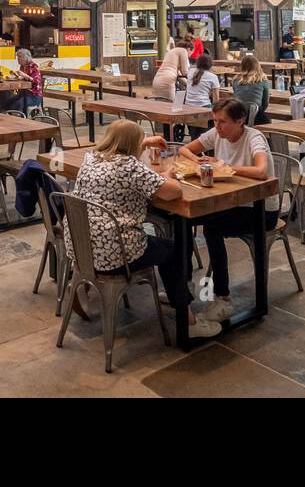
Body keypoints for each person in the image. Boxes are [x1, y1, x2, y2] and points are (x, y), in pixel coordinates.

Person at [63, 118, 220, 339]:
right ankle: (189, 321)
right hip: (115, 255)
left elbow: (122, 146)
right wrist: (169, 176)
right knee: (174, 251)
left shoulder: (91, 158)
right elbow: (172, 192)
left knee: (161, 242)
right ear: (132, 146)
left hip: (81, 250)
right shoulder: (130, 166)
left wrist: (145, 143)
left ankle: (81, 285)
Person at [179, 99, 278, 323]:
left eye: (222, 121)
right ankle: (184, 286)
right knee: (183, 218)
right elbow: (186, 149)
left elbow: (261, 170)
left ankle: (222, 297)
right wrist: (200, 162)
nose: (217, 126)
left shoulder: (253, 137)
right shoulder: (217, 134)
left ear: (240, 120)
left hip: (260, 209)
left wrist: (223, 167)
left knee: (212, 228)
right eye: (215, 121)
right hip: (229, 202)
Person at [230, 54, 271, 124]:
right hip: (256, 114)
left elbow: (236, 97)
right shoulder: (263, 80)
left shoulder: (236, 80)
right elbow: (265, 103)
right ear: (257, 65)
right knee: (267, 122)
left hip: (238, 114)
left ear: (242, 66)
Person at [2, 47, 43, 114]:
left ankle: (22, 119)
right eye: (17, 57)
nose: (18, 59)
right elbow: (23, 78)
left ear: (25, 57)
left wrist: (24, 75)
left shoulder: (33, 66)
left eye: (20, 57)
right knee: (6, 102)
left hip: (34, 96)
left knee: (17, 104)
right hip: (23, 94)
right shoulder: (22, 67)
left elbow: (37, 82)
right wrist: (17, 76)